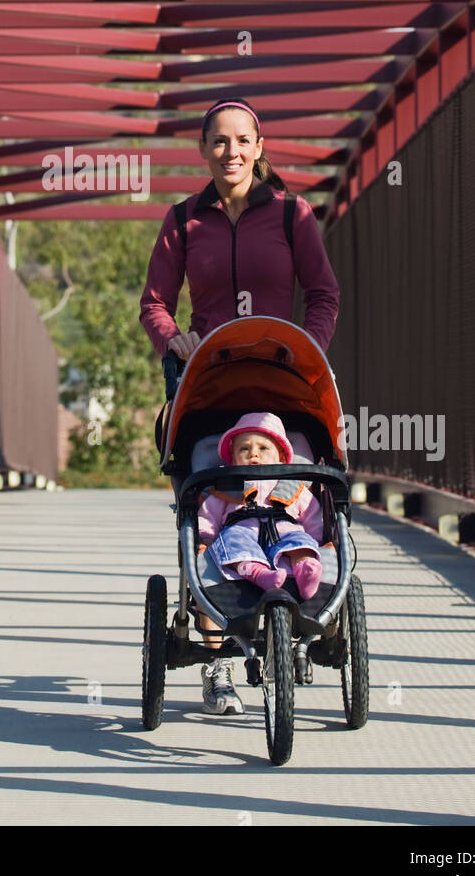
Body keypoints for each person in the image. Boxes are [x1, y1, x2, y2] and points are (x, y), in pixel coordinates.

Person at [139, 97, 340, 717]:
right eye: (219, 141)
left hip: (281, 383)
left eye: (242, 140)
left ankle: (306, 595)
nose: (231, 152)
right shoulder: (182, 220)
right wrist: (173, 336)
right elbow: (154, 302)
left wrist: (308, 352)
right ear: (204, 149)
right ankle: (216, 660)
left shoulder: (290, 214)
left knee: (302, 477)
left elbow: (324, 293)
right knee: (206, 492)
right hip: (210, 385)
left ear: (259, 147)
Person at [197, 412, 324, 600]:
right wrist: (206, 539)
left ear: (281, 456)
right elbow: (209, 514)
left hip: (285, 530)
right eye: (244, 449)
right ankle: (260, 574)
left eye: (263, 448)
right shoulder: (227, 486)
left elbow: (311, 513)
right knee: (230, 544)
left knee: (301, 542)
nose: (253, 453)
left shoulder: (294, 485)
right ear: (232, 459)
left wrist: (317, 538)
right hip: (241, 530)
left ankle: (305, 569)